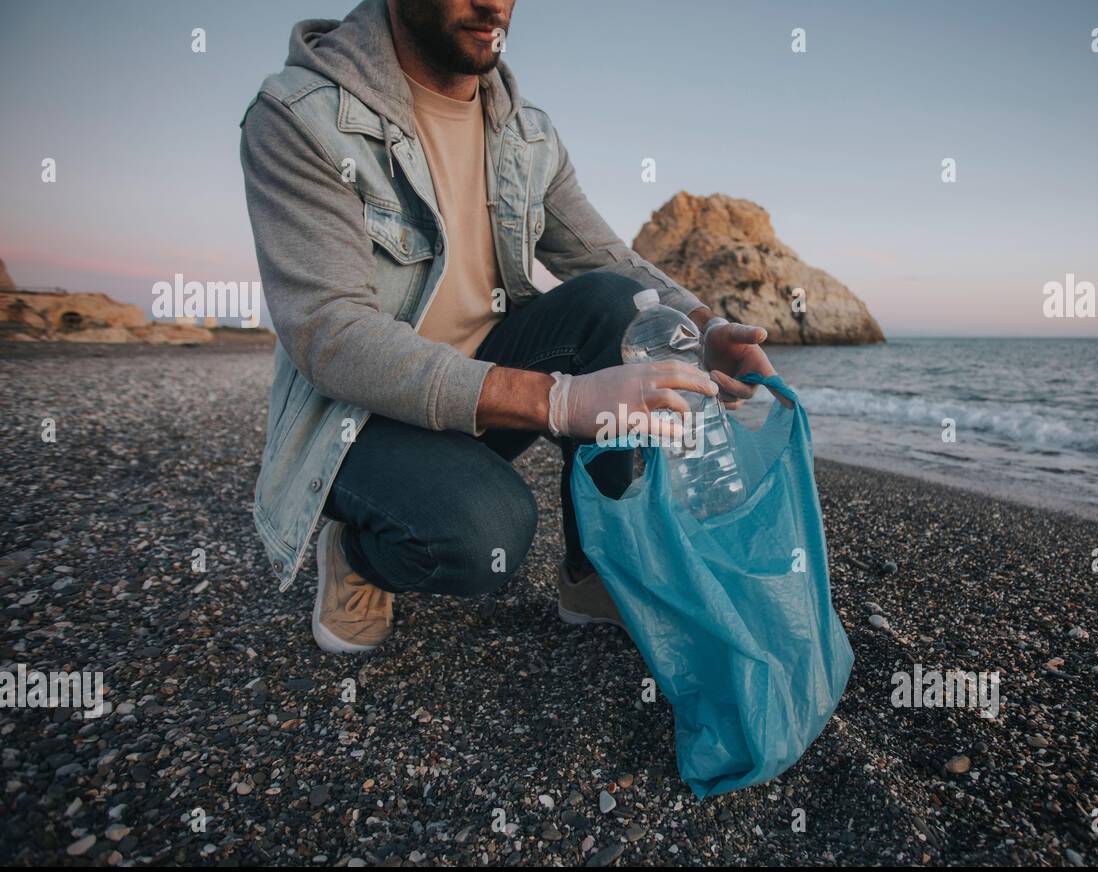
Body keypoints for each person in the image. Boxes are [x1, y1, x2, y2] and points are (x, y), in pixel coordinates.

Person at [240, 0, 777, 654]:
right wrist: (559, 400)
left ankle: (593, 571)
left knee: (611, 301)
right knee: (482, 536)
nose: (494, 4)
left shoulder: (526, 132)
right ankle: (357, 551)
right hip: (356, 420)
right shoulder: (299, 117)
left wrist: (706, 325)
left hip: (482, 391)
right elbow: (331, 334)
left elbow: (603, 255)